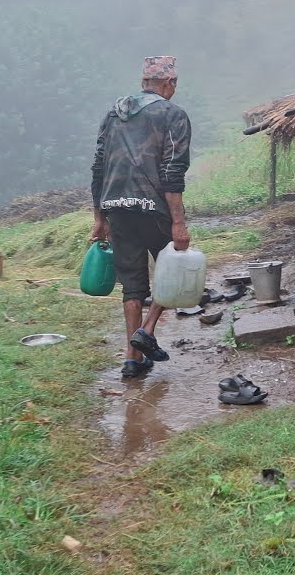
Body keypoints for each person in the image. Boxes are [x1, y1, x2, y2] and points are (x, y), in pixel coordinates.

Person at [90, 55, 192, 379]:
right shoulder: (173, 115)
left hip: (116, 207)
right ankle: (146, 330)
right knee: (173, 270)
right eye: (174, 84)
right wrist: (179, 223)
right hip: (154, 209)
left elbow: (98, 167)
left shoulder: (113, 114)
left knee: (132, 284)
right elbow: (173, 172)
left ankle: (131, 359)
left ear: (144, 83)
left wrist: (100, 217)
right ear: (168, 83)